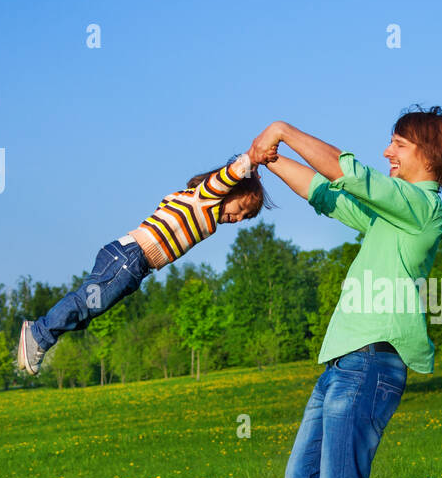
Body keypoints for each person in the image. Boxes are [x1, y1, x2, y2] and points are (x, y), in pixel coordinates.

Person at [250, 106, 442, 478]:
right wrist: (270, 160)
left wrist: (282, 129)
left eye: (398, 144)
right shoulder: (392, 214)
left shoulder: (423, 209)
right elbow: (327, 193)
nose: (387, 152)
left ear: (429, 156)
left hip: (373, 363)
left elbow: (347, 173)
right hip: (344, 362)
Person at [16, 153, 267, 375]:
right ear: (230, 191)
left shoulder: (205, 211)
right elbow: (228, 176)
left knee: (88, 312)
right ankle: (39, 333)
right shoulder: (205, 198)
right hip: (129, 258)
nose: (238, 218)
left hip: (132, 265)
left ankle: (42, 334)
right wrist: (251, 159)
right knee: (85, 304)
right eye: (241, 208)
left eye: (245, 218)